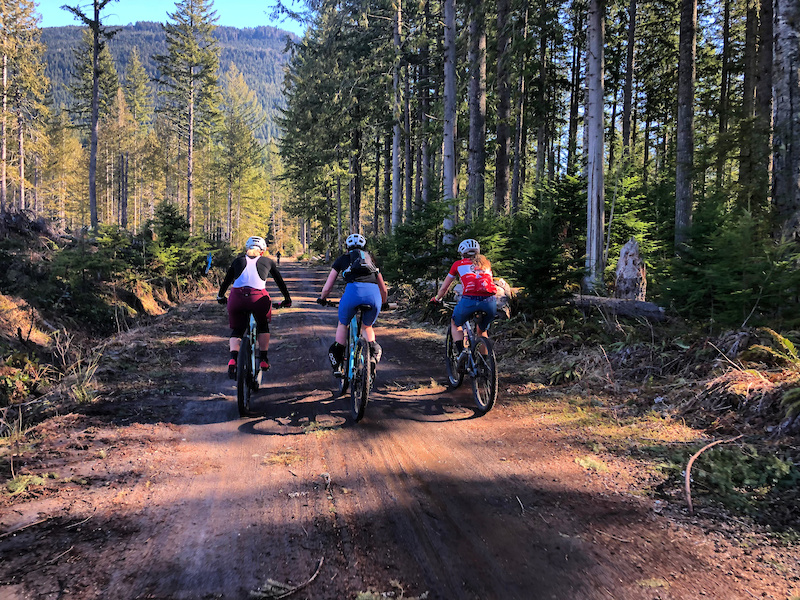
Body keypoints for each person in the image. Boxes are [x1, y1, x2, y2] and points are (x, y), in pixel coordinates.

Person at [217, 236, 292, 379]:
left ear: (246, 249)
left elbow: (226, 282)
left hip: (237, 298)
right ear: (262, 251)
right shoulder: (268, 261)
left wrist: (220, 296)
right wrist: (287, 299)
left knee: (237, 330)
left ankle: (233, 358)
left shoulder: (238, 261)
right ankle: (263, 359)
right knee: (263, 326)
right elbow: (280, 282)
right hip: (258, 299)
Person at [317, 233, 388, 376]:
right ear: (364, 248)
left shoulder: (342, 259)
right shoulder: (371, 260)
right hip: (373, 296)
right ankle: (373, 354)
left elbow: (328, 286)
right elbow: (384, 289)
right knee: (367, 326)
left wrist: (323, 298)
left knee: (343, 324)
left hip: (352, 293)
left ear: (347, 247)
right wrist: (384, 303)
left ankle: (338, 362)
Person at [430, 238, 497, 357]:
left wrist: (437, 298)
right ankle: (485, 365)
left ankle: (462, 353)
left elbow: (444, 288)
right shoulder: (486, 263)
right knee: (482, 331)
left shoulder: (457, 264)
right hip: (490, 302)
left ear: (462, 253)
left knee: (455, 323)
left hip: (469, 300)